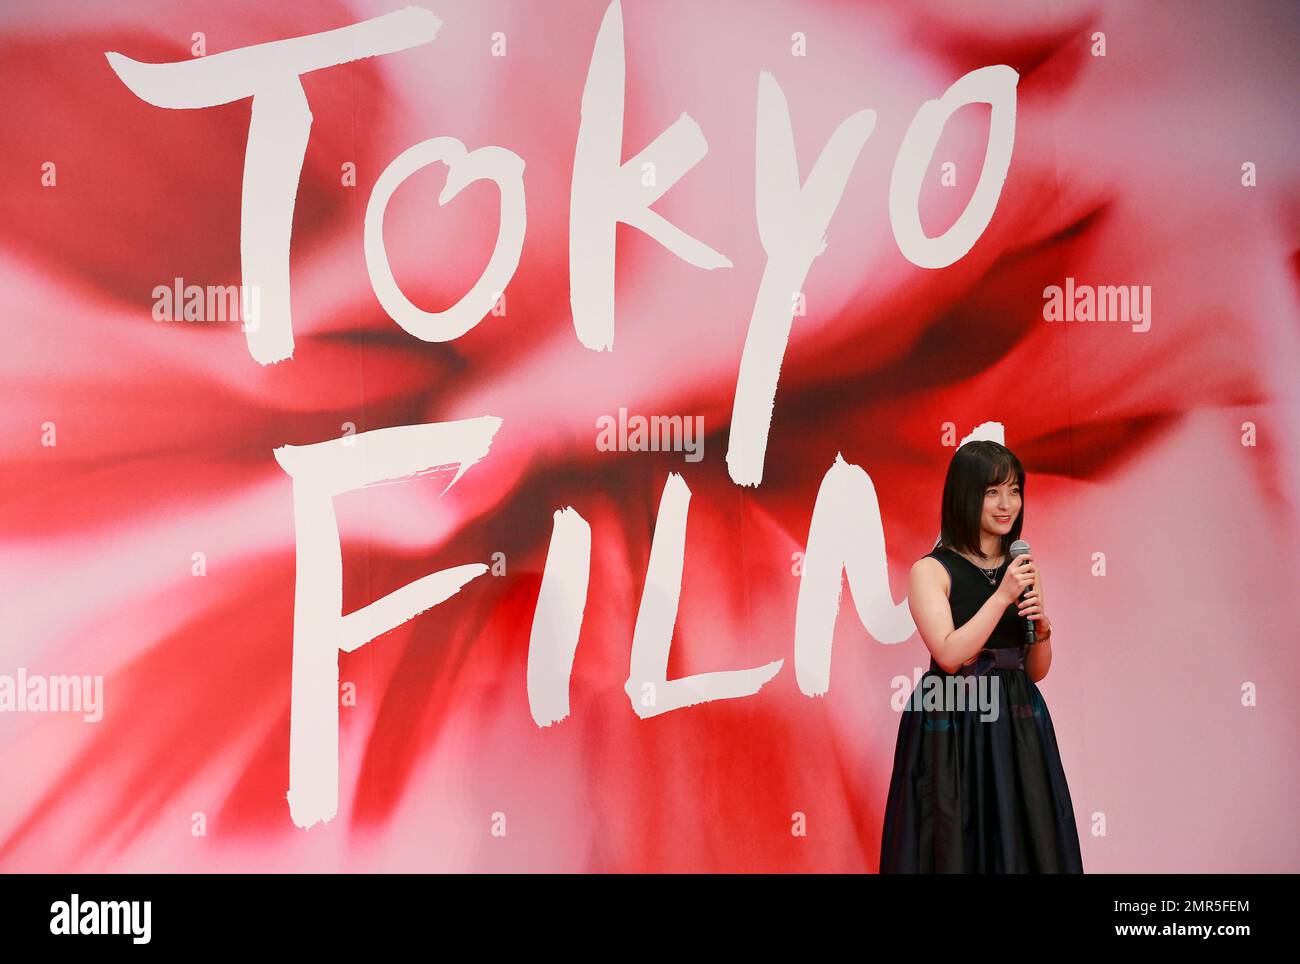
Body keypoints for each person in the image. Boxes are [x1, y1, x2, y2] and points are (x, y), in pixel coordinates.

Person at [879, 440, 1084, 873]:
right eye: (992, 492)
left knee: (1027, 839)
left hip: (1017, 719)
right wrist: (1002, 595)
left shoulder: (1022, 567)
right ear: (965, 495)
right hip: (954, 719)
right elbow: (950, 654)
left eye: (1014, 490)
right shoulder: (931, 571)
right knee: (958, 842)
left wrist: (1043, 635)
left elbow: (1036, 671)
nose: (1006, 504)